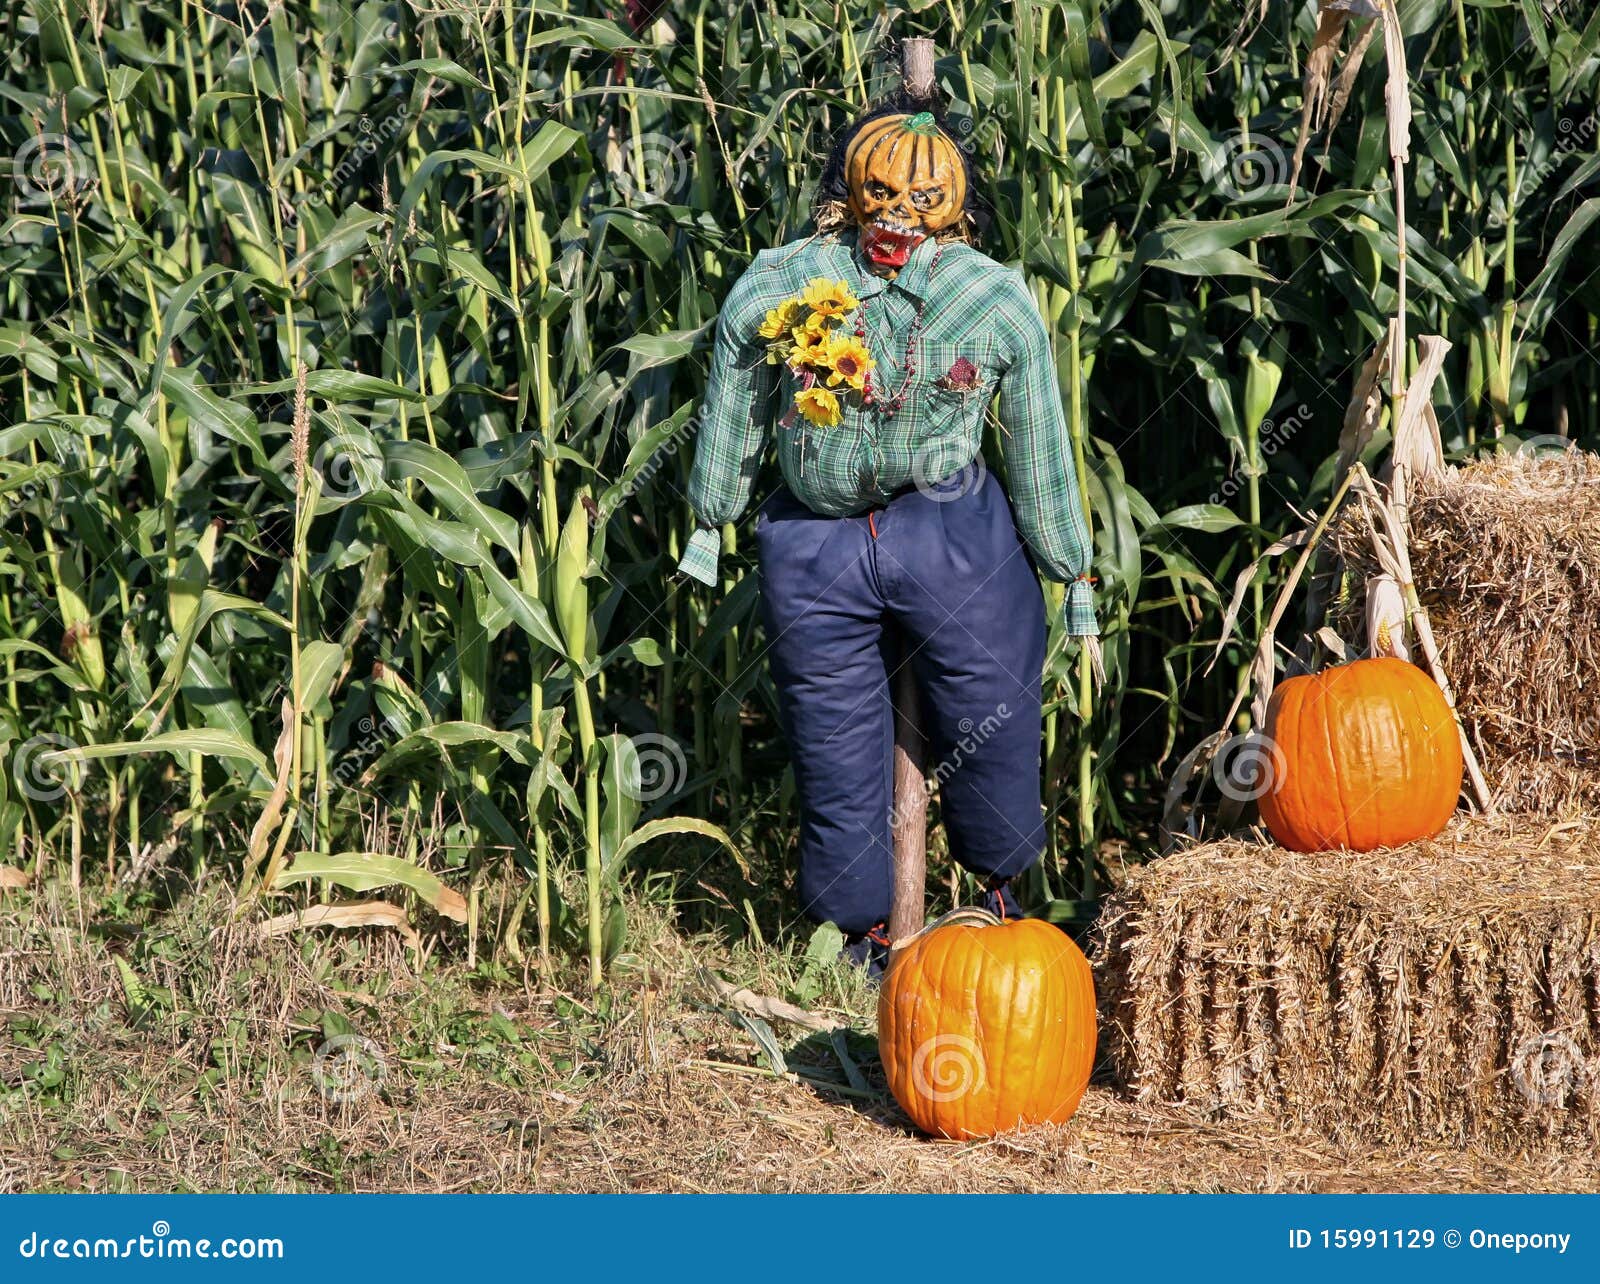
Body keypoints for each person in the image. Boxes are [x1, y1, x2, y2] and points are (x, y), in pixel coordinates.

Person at [677, 100, 1097, 976]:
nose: (901, 217)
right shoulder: (782, 286)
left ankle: (1001, 900)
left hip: (951, 523)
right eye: (882, 196)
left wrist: (1073, 575)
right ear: (849, 195)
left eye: (925, 200)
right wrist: (712, 518)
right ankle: (860, 931)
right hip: (817, 536)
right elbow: (734, 407)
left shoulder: (990, 297)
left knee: (994, 699)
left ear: (956, 207)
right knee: (833, 737)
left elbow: (1039, 446)